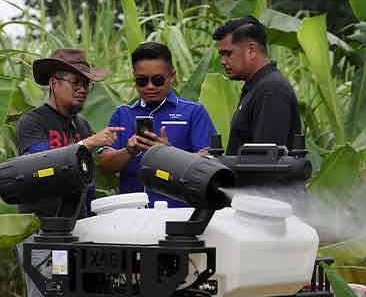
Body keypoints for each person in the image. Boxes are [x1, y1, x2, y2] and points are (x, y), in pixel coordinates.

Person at [15, 48, 123, 297]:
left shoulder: (81, 124)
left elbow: (101, 159)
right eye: (76, 83)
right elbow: (40, 163)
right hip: (43, 231)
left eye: (86, 84)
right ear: (54, 82)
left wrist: (131, 151)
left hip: (76, 230)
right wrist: (88, 143)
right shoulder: (33, 122)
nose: (83, 90)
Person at [99, 42, 216, 207]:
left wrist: (168, 154)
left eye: (158, 80)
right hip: (132, 214)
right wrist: (129, 151)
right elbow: (105, 164)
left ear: (172, 75)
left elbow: (210, 159)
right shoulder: (122, 114)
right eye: (142, 81)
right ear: (134, 77)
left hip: (178, 212)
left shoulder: (193, 112)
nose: (150, 86)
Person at [213, 16, 302, 154]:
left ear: (251, 50)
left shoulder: (271, 91)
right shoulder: (257, 88)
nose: (223, 61)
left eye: (228, 53)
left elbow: (265, 163)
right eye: (221, 54)